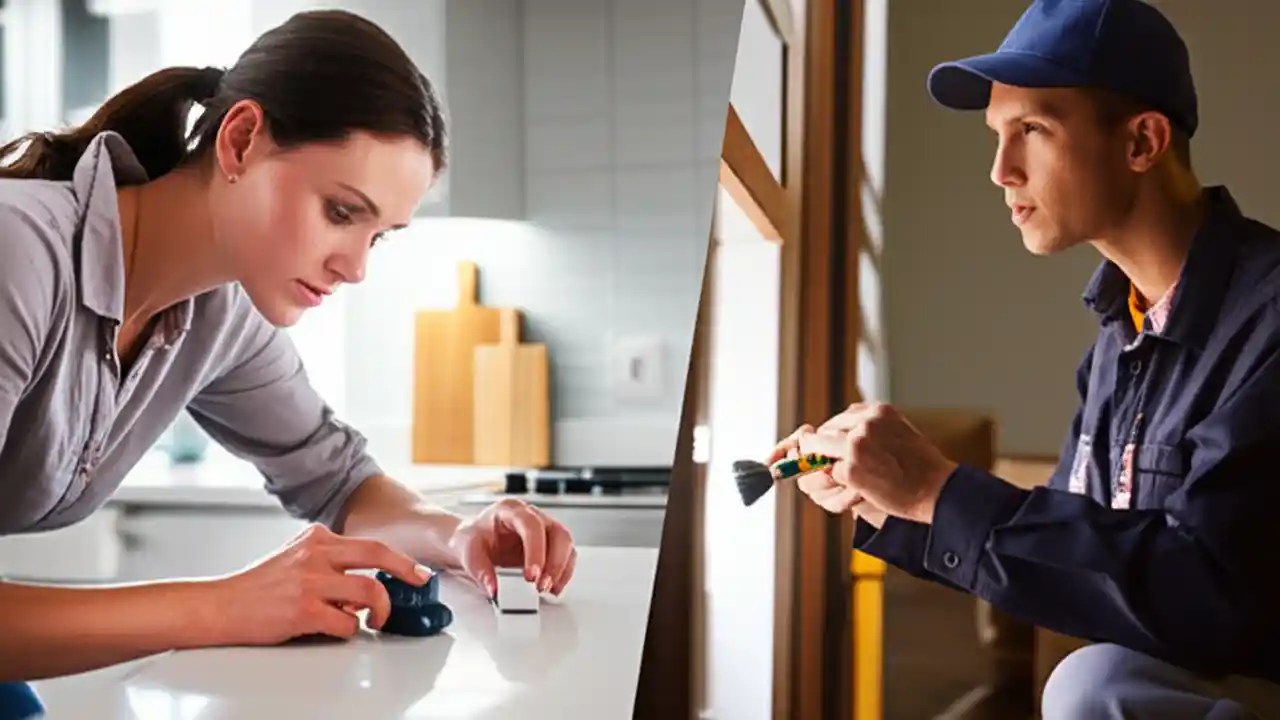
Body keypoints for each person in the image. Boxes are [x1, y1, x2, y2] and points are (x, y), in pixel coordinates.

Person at [0, 8, 577, 704]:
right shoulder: (20, 253)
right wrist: (223, 606)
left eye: (380, 235)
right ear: (240, 141)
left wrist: (456, 536)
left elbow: (341, 482)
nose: (356, 267)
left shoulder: (219, 312)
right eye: (340, 212)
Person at [772, 1, 1279, 718]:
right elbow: (1081, 564)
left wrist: (939, 493)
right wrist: (895, 500)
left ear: (1142, 141)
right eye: (996, 136)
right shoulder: (1116, 342)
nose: (1000, 171)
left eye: (1032, 131)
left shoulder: (1271, 319)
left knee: (1093, 687)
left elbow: (1213, 598)